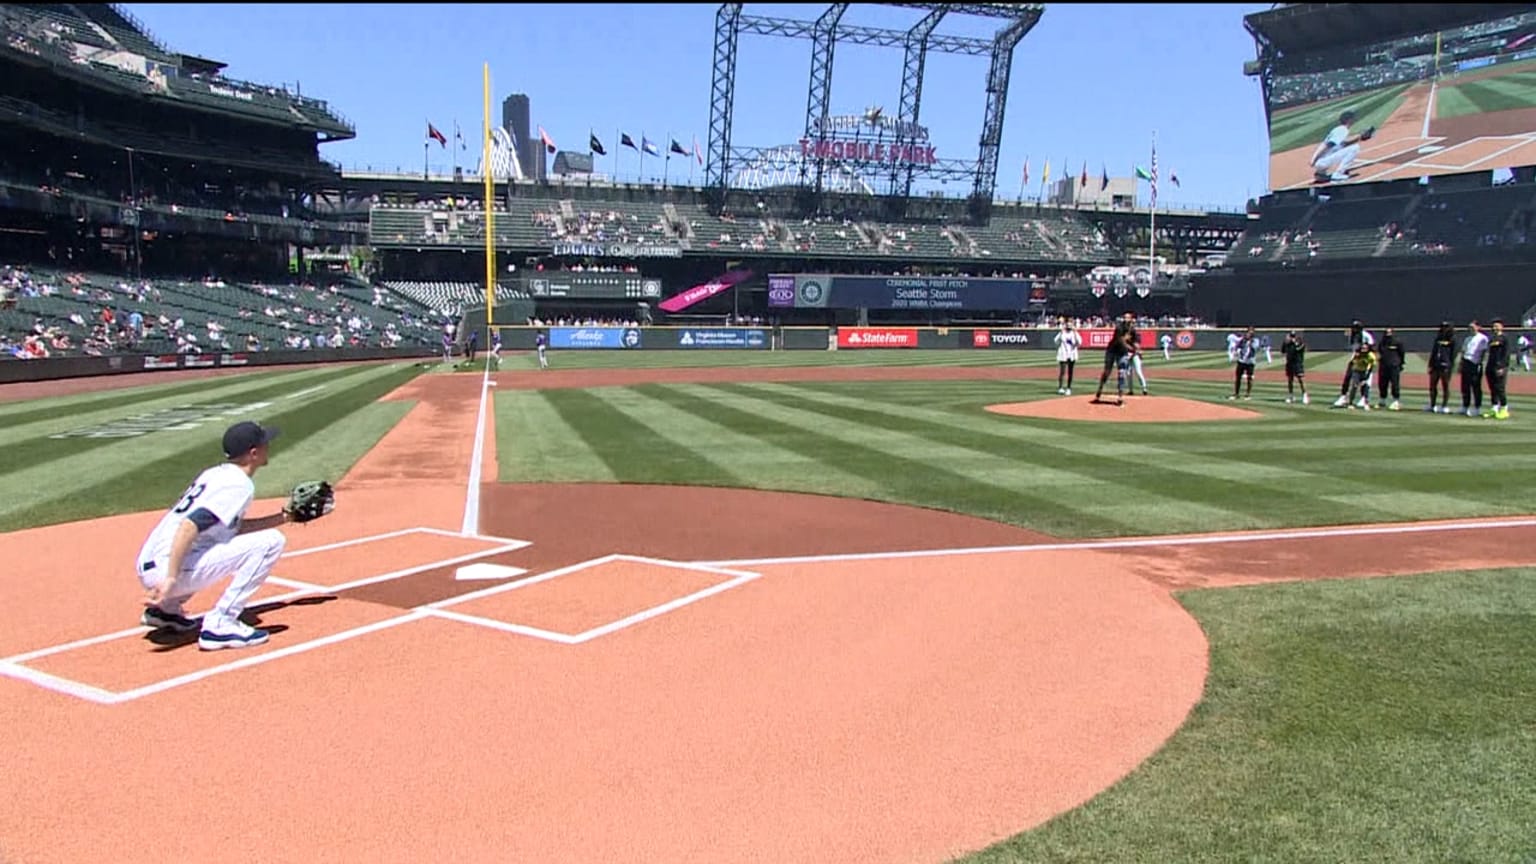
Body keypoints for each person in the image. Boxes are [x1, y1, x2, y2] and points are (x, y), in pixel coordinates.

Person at [136, 421, 290, 650]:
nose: (269, 447)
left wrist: (285, 517)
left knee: (211, 544)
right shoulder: (239, 485)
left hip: (149, 562)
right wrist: (170, 579)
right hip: (167, 570)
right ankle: (221, 622)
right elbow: (189, 527)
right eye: (265, 443)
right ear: (254, 453)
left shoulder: (215, 474)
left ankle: (165, 611)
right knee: (272, 542)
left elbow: (229, 530)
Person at [1310, 109, 1366, 184]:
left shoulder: (1338, 129)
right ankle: (1338, 174)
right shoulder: (1342, 130)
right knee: (1355, 148)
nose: (1354, 119)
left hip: (1322, 162)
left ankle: (1321, 174)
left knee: (1342, 148)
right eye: (1353, 118)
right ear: (1349, 120)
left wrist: (1360, 137)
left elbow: (1343, 144)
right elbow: (1328, 145)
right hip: (1322, 161)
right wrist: (1314, 158)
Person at [1093, 312, 1136, 405]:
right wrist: (1130, 348)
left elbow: (1135, 342)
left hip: (1123, 353)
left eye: (1128, 318)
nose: (1126, 319)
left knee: (1122, 373)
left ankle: (1120, 396)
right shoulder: (1119, 327)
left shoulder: (1132, 330)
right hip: (1112, 351)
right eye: (1125, 317)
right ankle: (1099, 391)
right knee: (1107, 372)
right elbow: (1120, 340)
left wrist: (1136, 350)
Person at [1333, 320, 1375, 407]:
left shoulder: (1366, 336)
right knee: (1348, 377)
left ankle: (1364, 398)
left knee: (1365, 380)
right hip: (1355, 359)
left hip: (1365, 360)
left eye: (1356, 328)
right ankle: (1343, 397)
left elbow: (1371, 347)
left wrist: (1365, 357)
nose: (1355, 330)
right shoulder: (1352, 336)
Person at [1456, 319, 1489, 418]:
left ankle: (1477, 407)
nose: (1470, 329)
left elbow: (1484, 352)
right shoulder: (1467, 339)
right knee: (1465, 386)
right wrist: (1461, 364)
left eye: (1472, 327)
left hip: (1475, 363)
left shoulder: (1483, 338)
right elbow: (1463, 351)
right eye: (1469, 327)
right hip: (1466, 362)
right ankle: (1465, 406)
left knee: (1476, 386)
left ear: (1478, 327)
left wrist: (1480, 362)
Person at [1426, 322, 1456, 414]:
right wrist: (1430, 364)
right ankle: (1432, 404)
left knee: (1445, 386)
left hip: (1445, 366)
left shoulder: (1452, 339)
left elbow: (1453, 354)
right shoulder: (1438, 339)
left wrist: (1449, 364)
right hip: (1435, 365)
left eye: (1446, 327)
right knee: (1432, 386)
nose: (1444, 329)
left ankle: (1444, 405)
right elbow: (1434, 352)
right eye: (1442, 327)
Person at [1483, 318, 1510, 419]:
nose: (1494, 328)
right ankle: (1494, 408)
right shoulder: (1492, 338)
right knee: (1492, 388)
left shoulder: (1504, 338)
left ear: (1502, 327)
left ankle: (1504, 408)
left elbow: (1506, 354)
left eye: (1497, 326)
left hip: (1500, 367)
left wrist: (1502, 367)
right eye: (1493, 326)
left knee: (1500, 388)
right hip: (1491, 365)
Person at [1374, 326, 1405, 410]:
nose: (1387, 334)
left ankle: (1396, 401)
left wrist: (1401, 364)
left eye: (1389, 332)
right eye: (1386, 332)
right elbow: (1380, 351)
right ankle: (1382, 401)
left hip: (1394, 366)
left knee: (1394, 383)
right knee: (1382, 384)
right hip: (1383, 365)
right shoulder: (1382, 342)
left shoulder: (1397, 342)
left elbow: (1402, 353)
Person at [1229, 326, 1258, 400]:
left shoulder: (1255, 340)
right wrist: (1236, 351)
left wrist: (1250, 341)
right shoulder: (1243, 340)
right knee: (1238, 377)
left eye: (1251, 332)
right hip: (1241, 361)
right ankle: (1236, 394)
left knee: (1249, 378)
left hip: (1250, 361)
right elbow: (1238, 346)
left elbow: (1255, 348)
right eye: (1248, 332)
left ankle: (1248, 394)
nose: (1249, 333)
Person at [1282, 329, 1309, 404]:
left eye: (1293, 336)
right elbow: (1283, 351)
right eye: (1291, 336)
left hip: (1298, 364)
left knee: (1301, 379)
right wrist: (1285, 342)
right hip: (1289, 364)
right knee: (1290, 380)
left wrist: (1294, 342)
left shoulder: (1300, 343)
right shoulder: (1287, 344)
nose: (1292, 338)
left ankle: (1305, 395)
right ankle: (1291, 396)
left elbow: (1298, 349)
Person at [1053, 321, 1081, 395]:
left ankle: (1069, 388)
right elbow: (1055, 341)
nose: (1068, 327)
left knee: (1070, 372)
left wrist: (1075, 332)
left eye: (1070, 325)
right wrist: (1061, 332)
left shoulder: (1074, 333)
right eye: (1067, 325)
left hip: (1072, 354)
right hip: (1063, 354)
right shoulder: (1062, 333)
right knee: (1062, 372)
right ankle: (1060, 388)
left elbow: (1079, 342)